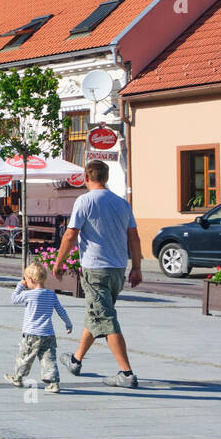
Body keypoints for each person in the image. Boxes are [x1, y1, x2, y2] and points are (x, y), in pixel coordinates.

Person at [55, 160, 142, 388]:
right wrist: (137, 267)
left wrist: (58, 262)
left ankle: (126, 373)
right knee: (97, 315)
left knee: (106, 319)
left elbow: (70, 235)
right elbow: (134, 237)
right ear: (106, 176)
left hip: (94, 270)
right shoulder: (122, 203)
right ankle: (75, 360)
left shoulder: (84, 201)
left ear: (86, 177)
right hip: (117, 270)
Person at [4, 261, 73, 392]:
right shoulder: (51, 295)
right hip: (48, 334)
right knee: (49, 359)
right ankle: (54, 383)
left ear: (30, 279)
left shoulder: (29, 294)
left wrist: (20, 285)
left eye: (26, 280)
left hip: (32, 334)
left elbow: (13, 299)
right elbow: (61, 310)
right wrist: (68, 323)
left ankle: (18, 378)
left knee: (25, 356)